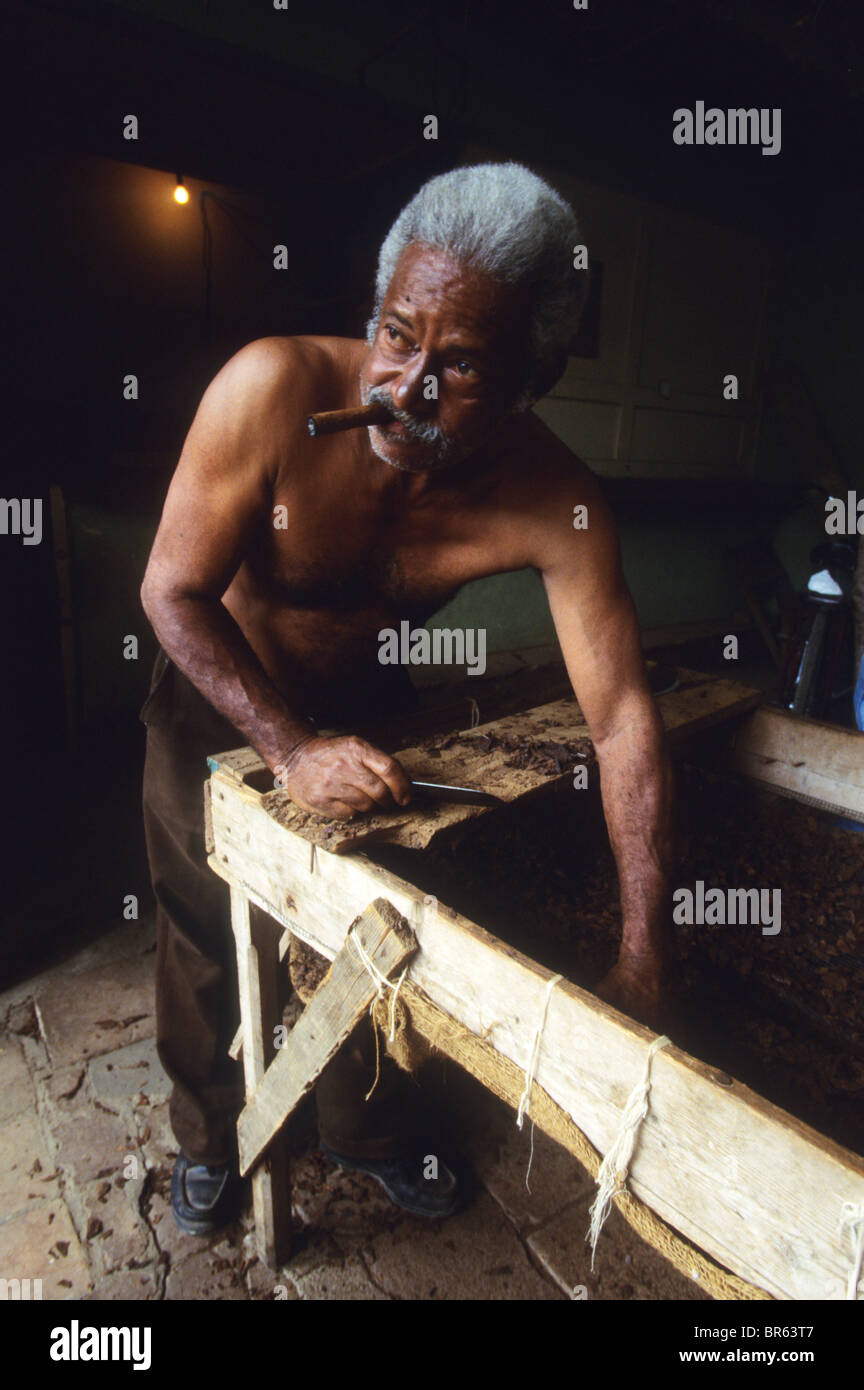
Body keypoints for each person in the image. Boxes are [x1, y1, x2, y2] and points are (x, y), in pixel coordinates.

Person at [140, 162, 675, 1234]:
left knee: (373, 932)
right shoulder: (271, 389)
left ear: (535, 371)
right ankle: (212, 1141)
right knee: (208, 931)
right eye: (396, 334)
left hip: (367, 704)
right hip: (217, 694)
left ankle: (365, 1130)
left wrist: (642, 955)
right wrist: (290, 751)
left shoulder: (554, 500)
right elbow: (171, 590)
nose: (407, 389)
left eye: (464, 363)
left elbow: (622, 721)